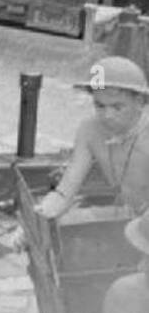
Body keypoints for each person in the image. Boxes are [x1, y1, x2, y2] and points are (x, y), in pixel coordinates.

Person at [37, 57, 149, 219]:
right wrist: (41, 215)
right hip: (129, 213)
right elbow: (65, 190)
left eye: (117, 107)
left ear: (139, 102)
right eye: (100, 105)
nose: (107, 115)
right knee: (63, 224)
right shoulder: (89, 130)